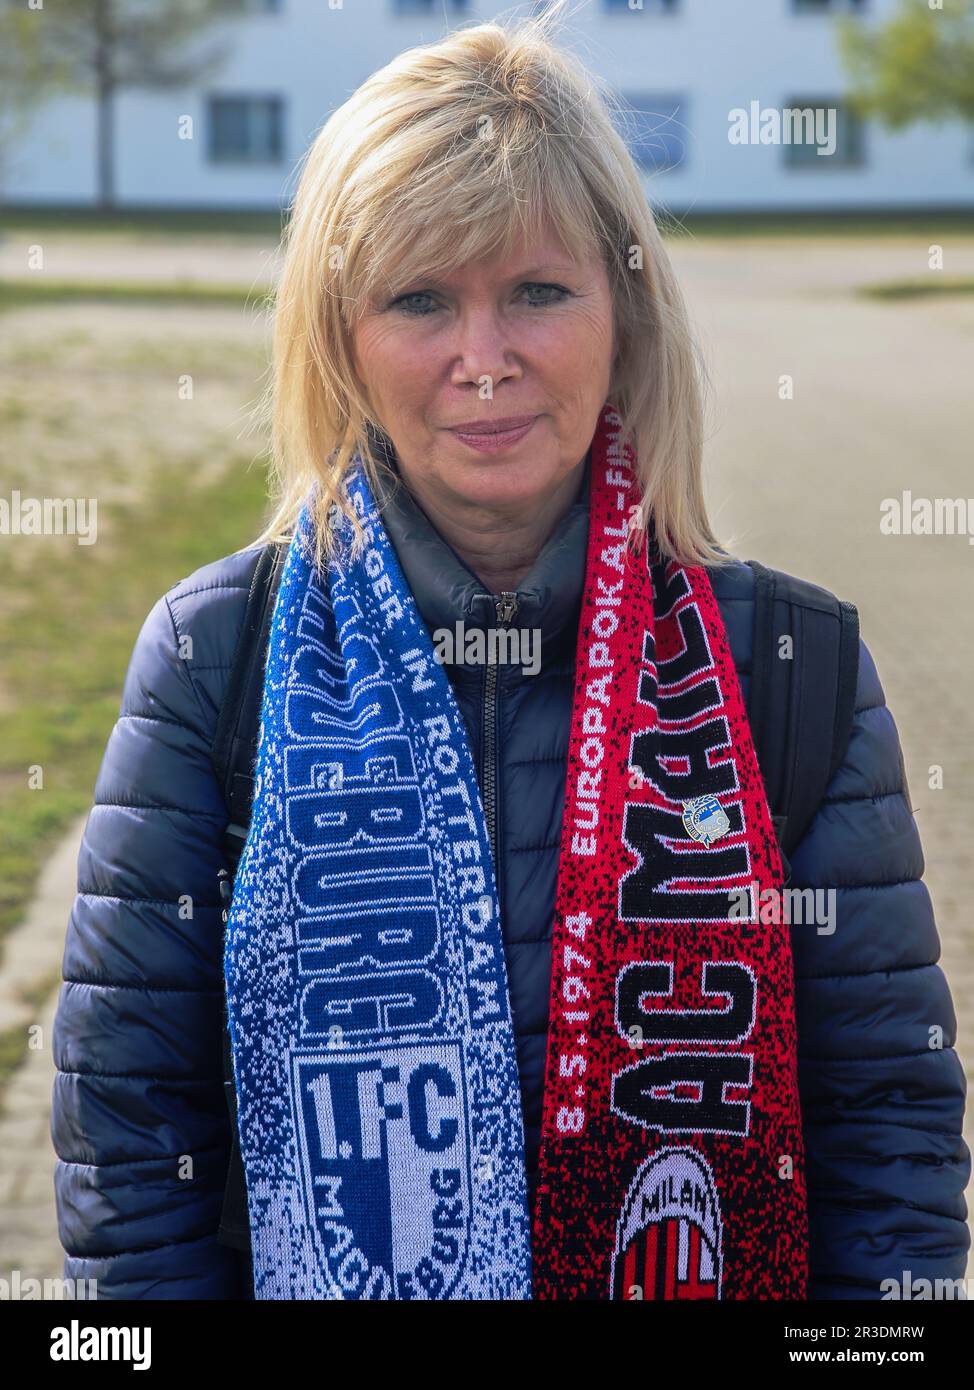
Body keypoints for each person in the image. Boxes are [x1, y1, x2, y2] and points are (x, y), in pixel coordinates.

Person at [52, 14, 969, 1300]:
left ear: (623, 308)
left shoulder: (790, 663)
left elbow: (885, 1124)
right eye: (420, 300)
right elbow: (131, 1126)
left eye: (537, 290)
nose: (484, 361)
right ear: (340, 340)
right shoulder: (216, 656)